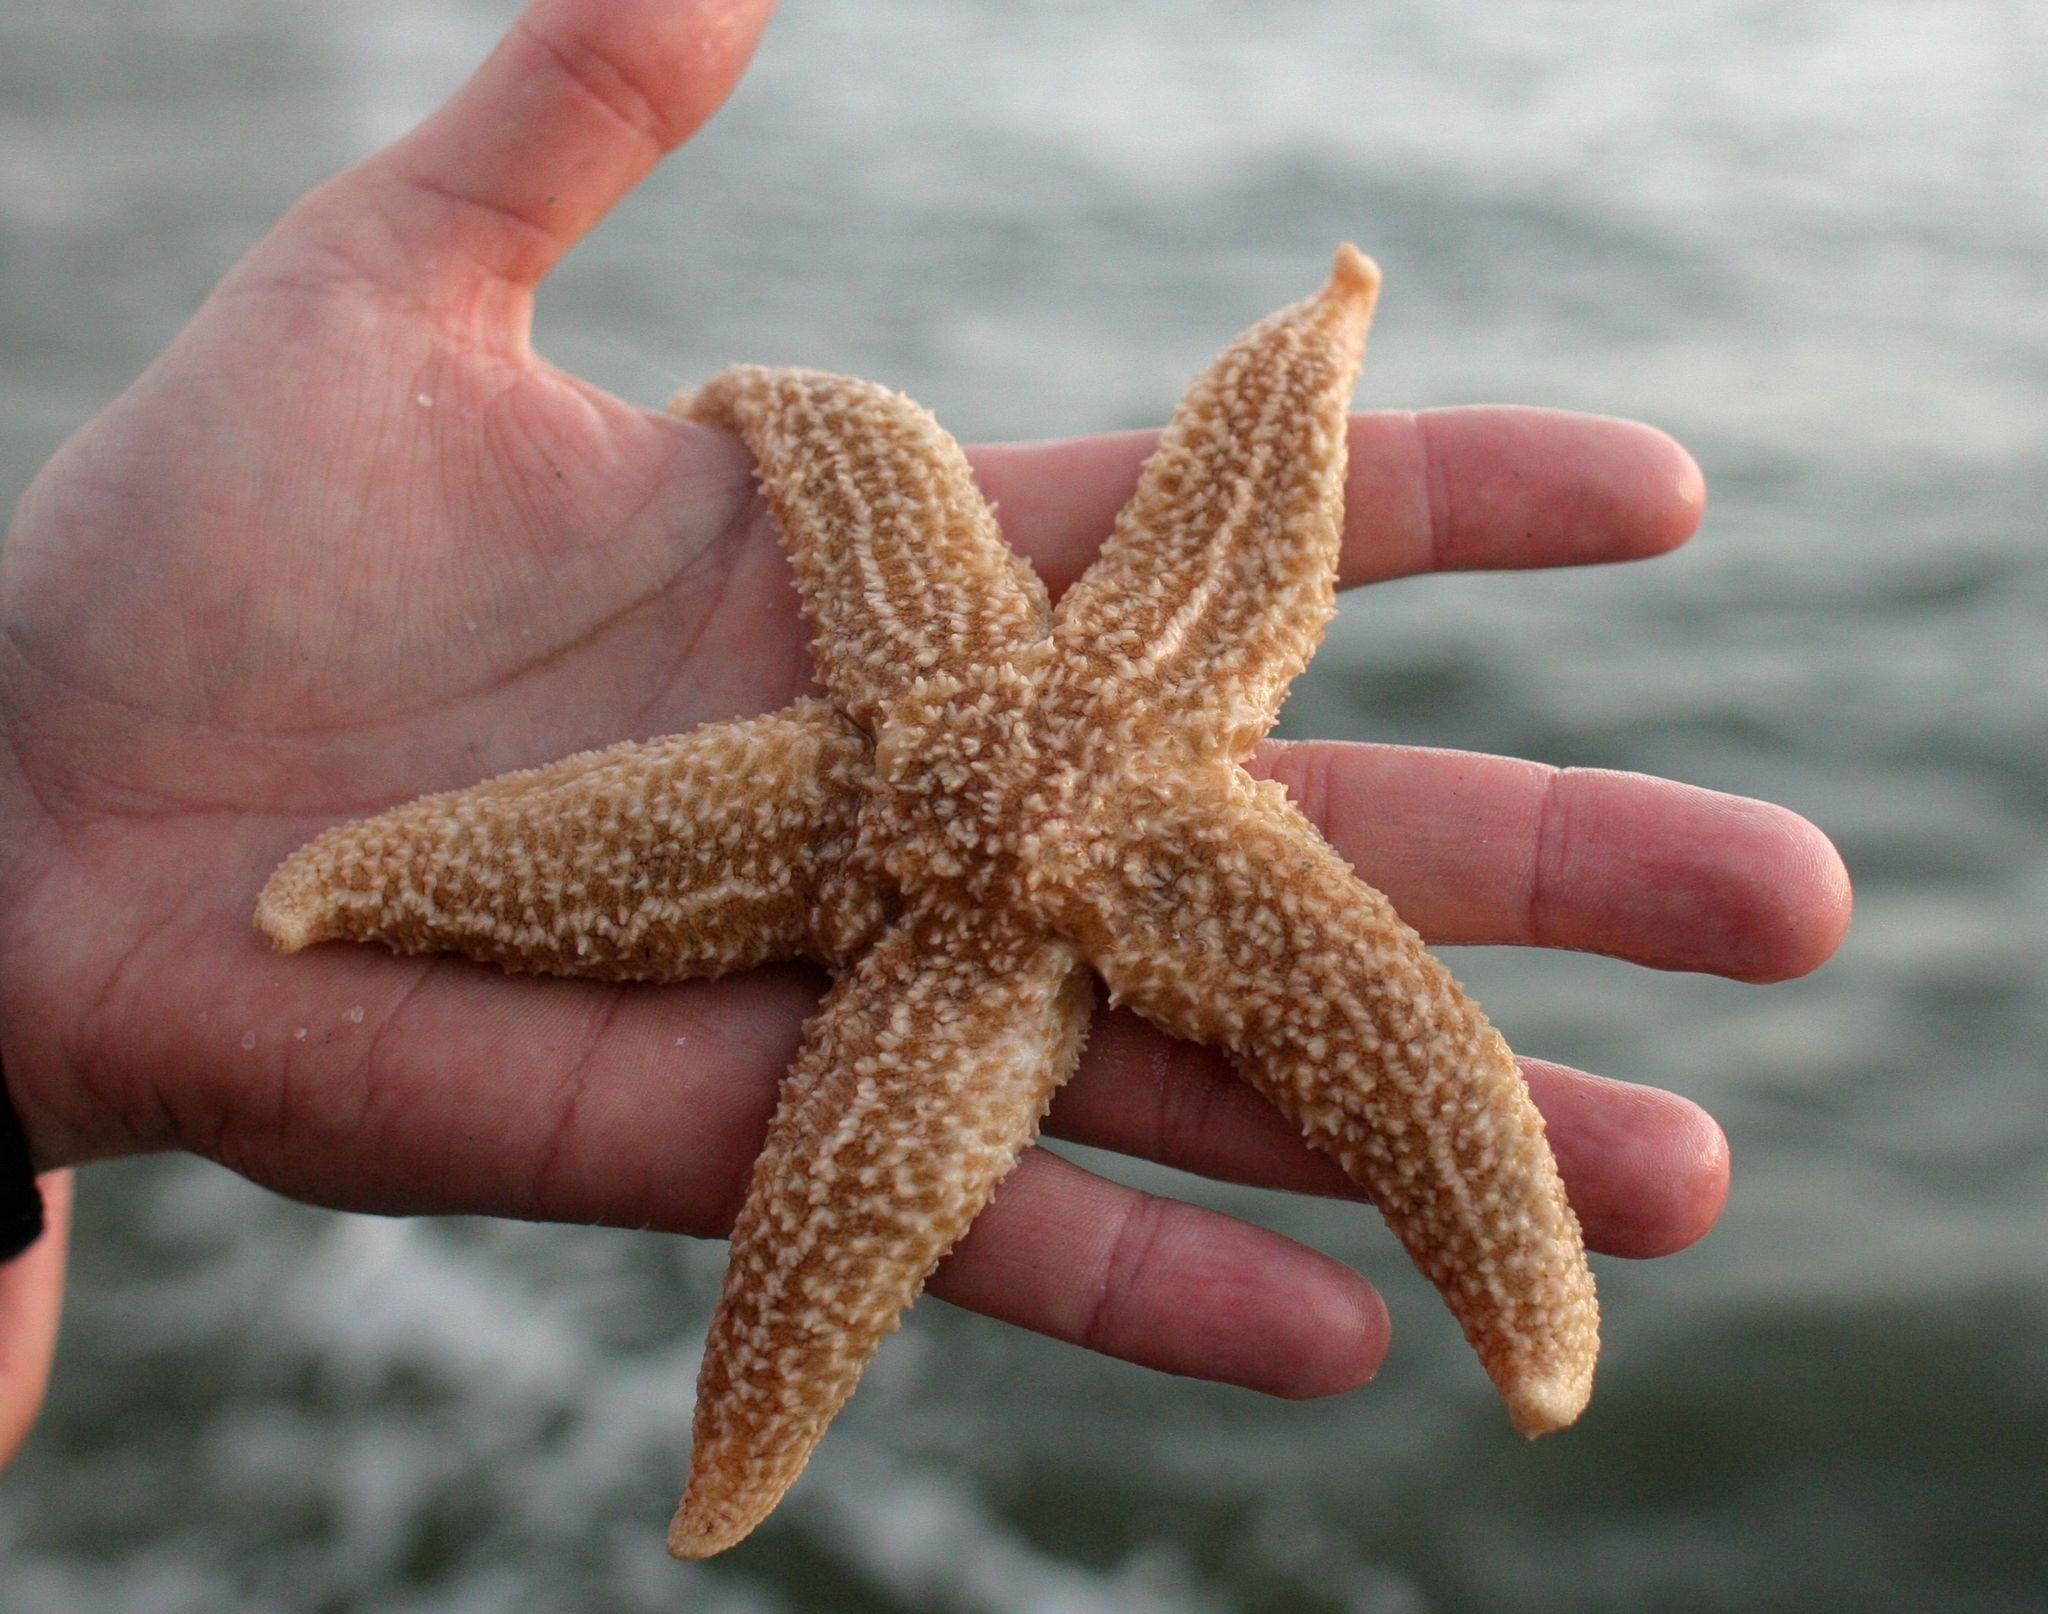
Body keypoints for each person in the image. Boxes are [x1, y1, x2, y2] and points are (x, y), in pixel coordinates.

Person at [0, 0, 1850, 1474]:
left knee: (1444, 1143)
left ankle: (1526, 1330)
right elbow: (862, 448)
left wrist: (42, 859)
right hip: (932, 897)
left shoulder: (1060, 669)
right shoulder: (1021, 662)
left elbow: (1022, 451)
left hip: (964, 914)